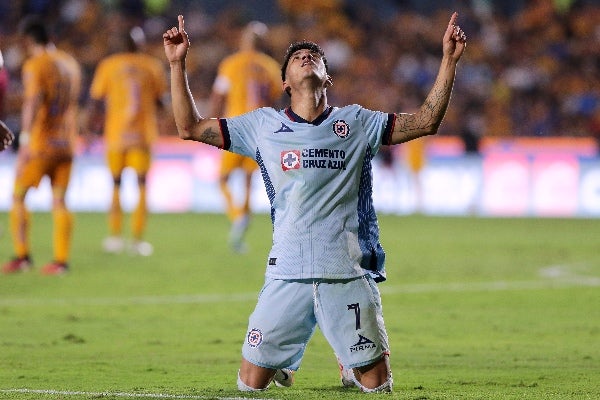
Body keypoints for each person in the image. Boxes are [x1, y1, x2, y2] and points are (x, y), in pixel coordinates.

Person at [163, 12, 466, 392]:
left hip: (345, 269)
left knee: (376, 386)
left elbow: (426, 121)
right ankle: (289, 359)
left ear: (328, 76)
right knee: (249, 385)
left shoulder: (356, 122)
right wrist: (177, 64)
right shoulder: (262, 126)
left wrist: (449, 62)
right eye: (296, 58)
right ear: (285, 82)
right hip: (287, 271)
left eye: (315, 56)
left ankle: (347, 362)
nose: (307, 58)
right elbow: (188, 127)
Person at [2, 16, 81, 275]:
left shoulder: (36, 65)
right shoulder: (70, 63)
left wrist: (24, 140)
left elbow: (33, 102)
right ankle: (61, 261)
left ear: (27, 41)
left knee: (18, 196)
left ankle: (23, 256)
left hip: (41, 144)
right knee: (59, 201)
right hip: (67, 143)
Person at [89, 26, 168, 256]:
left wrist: (93, 126)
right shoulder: (151, 66)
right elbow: (161, 101)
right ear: (139, 44)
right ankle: (137, 239)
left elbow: (95, 99)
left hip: (116, 135)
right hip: (142, 136)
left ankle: (114, 237)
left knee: (116, 184)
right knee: (142, 185)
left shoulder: (108, 65)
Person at [208, 21, 283, 253]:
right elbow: (277, 101)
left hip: (236, 127)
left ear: (244, 40)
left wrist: (211, 123)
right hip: (260, 131)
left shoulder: (231, 64)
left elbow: (218, 95)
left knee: (223, 179)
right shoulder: (270, 67)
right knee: (249, 182)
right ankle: (241, 229)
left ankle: (237, 215)